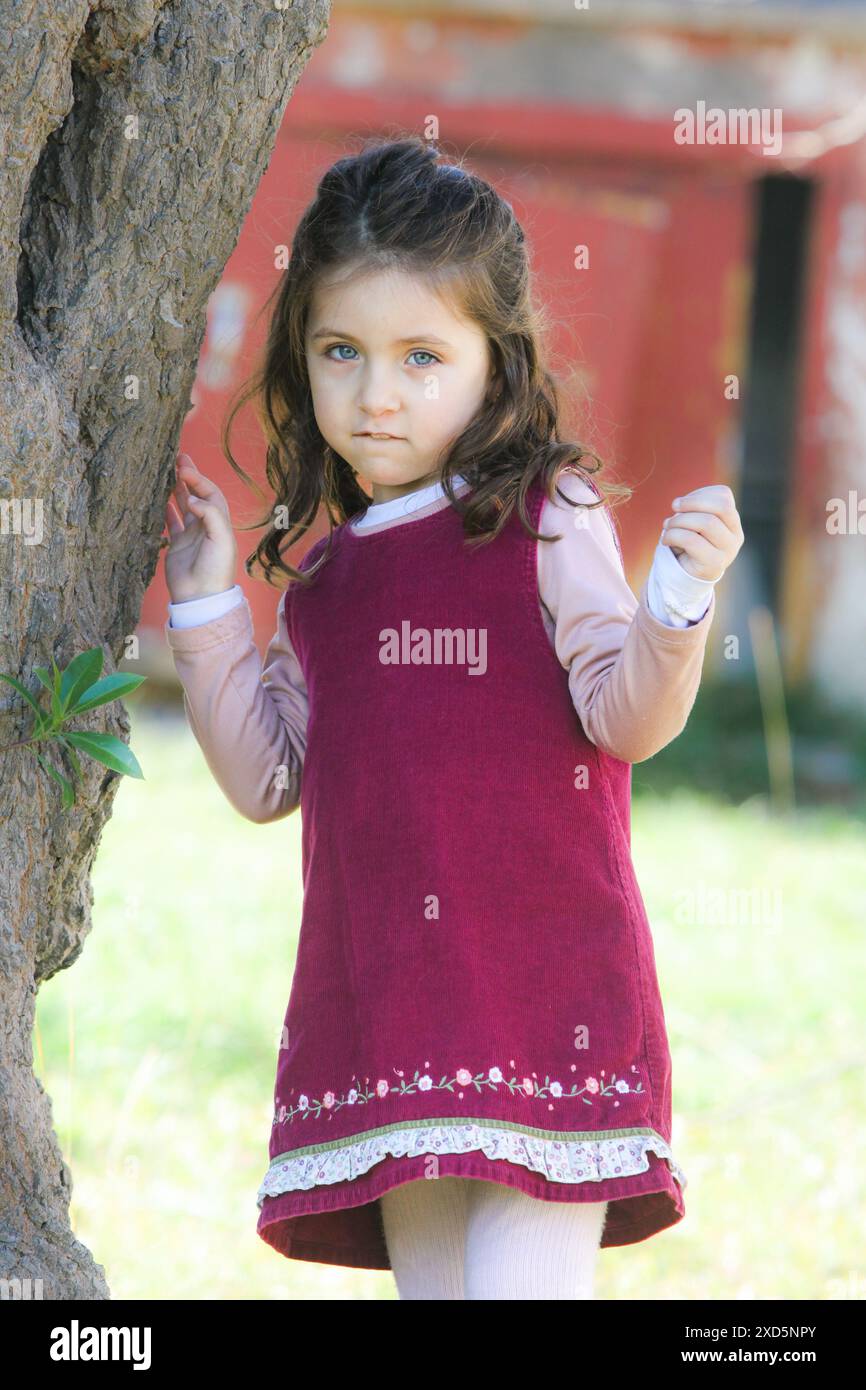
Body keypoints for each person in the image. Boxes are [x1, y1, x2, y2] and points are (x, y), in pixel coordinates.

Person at [162, 136, 744, 1300]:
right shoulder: (326, 578)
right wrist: (209, 602)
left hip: (542, 998)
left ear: (495, 364)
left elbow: (622, 718)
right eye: (341, 351)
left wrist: (675, 601)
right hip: (388, 1002)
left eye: (421, 355)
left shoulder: (543, 514)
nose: (376, 392)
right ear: (302, 359)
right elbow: (267, 777)